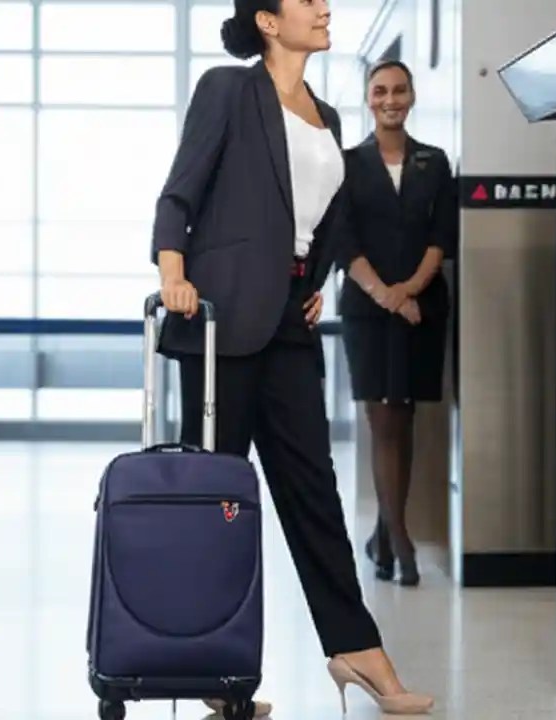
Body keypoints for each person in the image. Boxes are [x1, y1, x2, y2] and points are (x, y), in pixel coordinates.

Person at [149, 0, 434, 716]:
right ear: (270, 22)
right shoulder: (228, 90)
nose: (324, 7)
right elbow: (180, 191)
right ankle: (213, 672)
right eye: (306, 1)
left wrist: (316, 284)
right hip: (218, 319)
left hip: (287, 324)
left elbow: (325, 219)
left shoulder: (330, 118)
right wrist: (172, 274)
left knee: (313, 491)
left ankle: (356, 650)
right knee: (220, 500)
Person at [337, 60, 457, 588]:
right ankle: (401, 541)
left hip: (422, 307)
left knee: (404, 416)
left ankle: (384, 537)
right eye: (380, 91)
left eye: (399, 90)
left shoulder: (434, 162)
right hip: (368, 308)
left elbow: (441, 237)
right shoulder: (347, 163)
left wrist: (409, 292)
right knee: (383, 417)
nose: (391, 99)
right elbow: (343, 242)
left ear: (411, 97)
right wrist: (386, 295)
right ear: (369, 99)